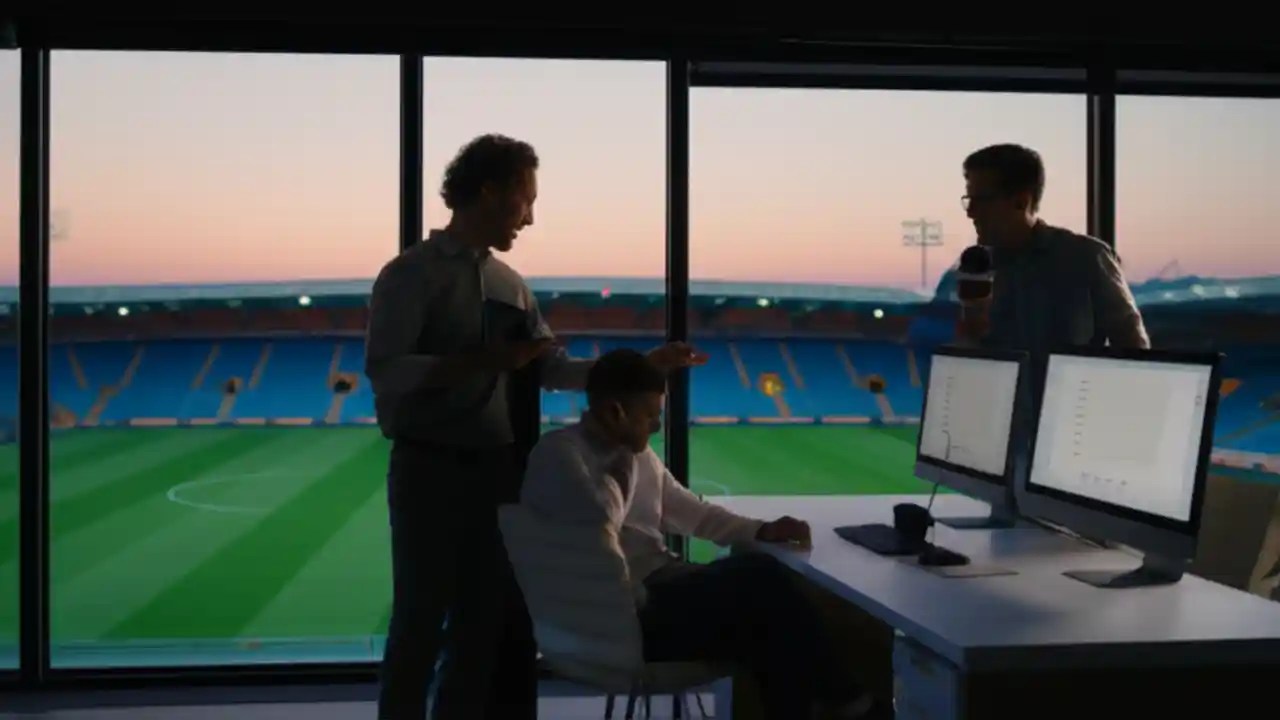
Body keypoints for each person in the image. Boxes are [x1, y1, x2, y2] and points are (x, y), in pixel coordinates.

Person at [365, 133, 706, 720]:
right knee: (420, 621)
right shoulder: (409, 274)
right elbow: (387, 371)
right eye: (526, 200)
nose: (530, 217)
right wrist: (488, 361)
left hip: (501, 472)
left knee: (481, 627)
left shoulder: (512, 285)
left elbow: (551, 368)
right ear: (489, 191)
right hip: (430, 471)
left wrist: (640, 367)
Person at [520, 349, 882, 720]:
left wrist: (761, 529)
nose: (656, 426)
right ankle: (849, 701)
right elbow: (596, 532)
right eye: (649, 416)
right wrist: (621, 467)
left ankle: (835, 704)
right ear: (615, 412)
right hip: (623, 619)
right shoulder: (560, 455)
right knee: (763, 585)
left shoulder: (635, 453)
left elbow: (691, 511)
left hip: (660, 591)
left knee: (766, 622)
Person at [957, 143, 1150, 353]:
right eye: (969, 201)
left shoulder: (1085, 258)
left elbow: (1134, 350)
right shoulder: (977, 267)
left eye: (981, 201)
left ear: (1021, 202)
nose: (970, 212)